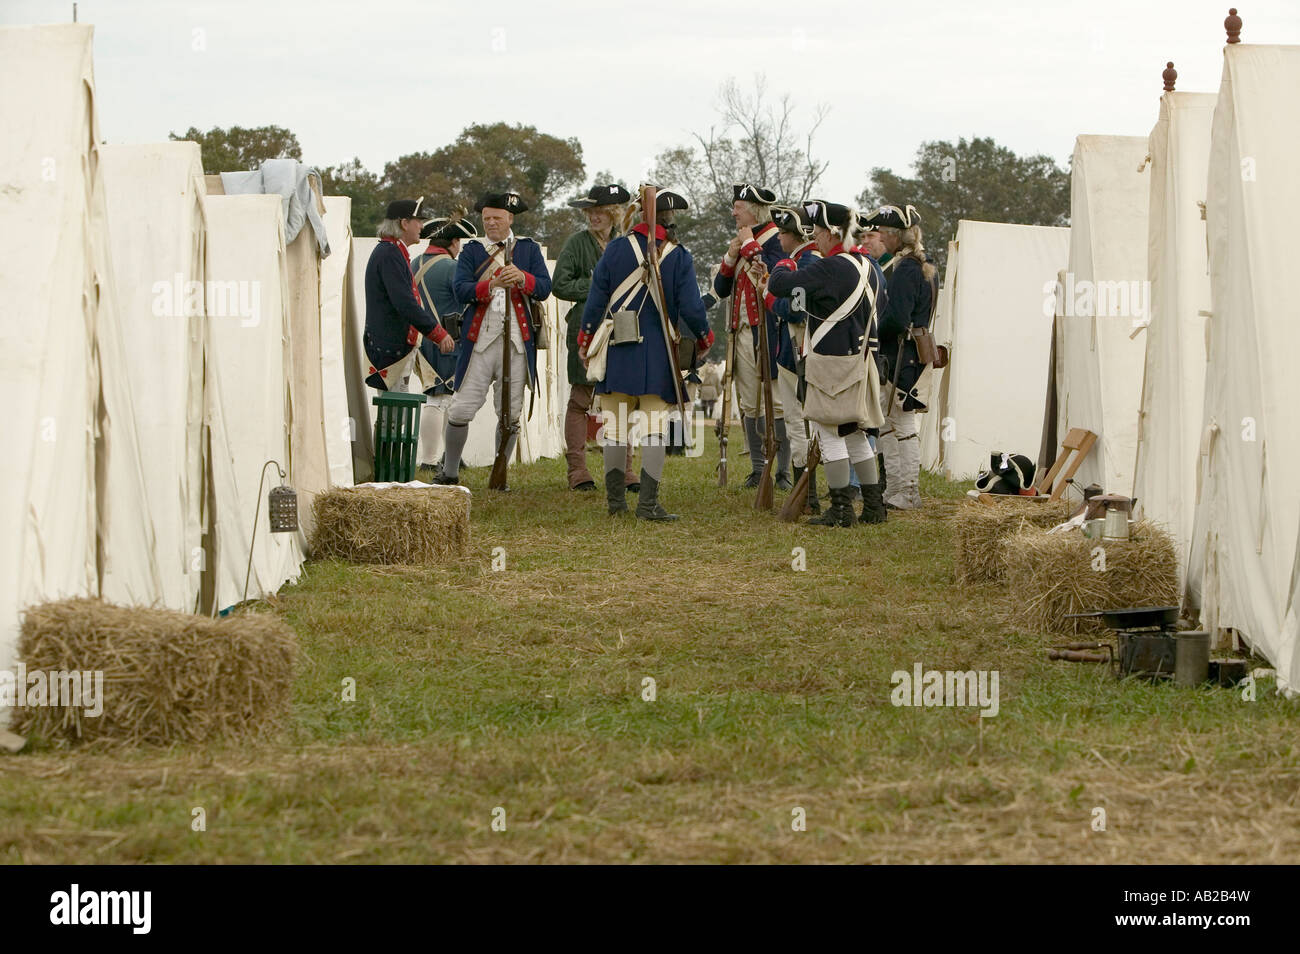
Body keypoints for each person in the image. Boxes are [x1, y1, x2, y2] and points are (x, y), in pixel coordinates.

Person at [577, 188, 713, 520]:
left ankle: (616, 505)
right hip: (658, 353)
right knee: (654, 427)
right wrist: (705, 336)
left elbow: (597, 299)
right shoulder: (679, 256)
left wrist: (586, 336)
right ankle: (648, 505)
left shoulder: (616, 249)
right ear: (670, 220)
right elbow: (692, 308)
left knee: (614, 427)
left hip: (618, 351)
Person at [764, 200, 887, 526]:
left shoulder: (830, 267)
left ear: (833, 232)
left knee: (829, 433)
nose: (814, 236)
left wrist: (785, 266)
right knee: (855, 434)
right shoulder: (867, 266)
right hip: (860, 361)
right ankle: (874, 508)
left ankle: (841, 510)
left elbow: (778, 287)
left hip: (830, 364)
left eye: (818, 230)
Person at [435, 191, 551, 489]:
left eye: (497, 218)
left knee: (510, 414)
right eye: (486, 218)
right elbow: (461, 289)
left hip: (516, 342)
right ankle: (449, 471)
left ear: (510, 219)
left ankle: (500, 475)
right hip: (481, 340)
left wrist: (523, 279)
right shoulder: (474, 251)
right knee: (461, 408)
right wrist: (492, 284)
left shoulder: (527, 249)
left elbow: (545, 287)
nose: (491, 224)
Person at [553, 184, 638, 492]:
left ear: (615, 214)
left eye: (600, 211)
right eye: (590, 211)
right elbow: (560, 284)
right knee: (580, 400)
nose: (593, 217)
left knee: (622, 400)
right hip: (584, 328)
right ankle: (578, 471)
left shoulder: (628, 244)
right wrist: (597, 288)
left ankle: (625, 470)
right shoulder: (577, 244)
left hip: (622, 328)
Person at [712, 184, 793, 490]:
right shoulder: (742, 242)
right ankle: (758, 469)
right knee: (750, 404)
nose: (733, 212)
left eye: (738, 206)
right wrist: (732, 257)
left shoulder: (776, 239)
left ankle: (783, 470)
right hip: (743, 333)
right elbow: (721, 289)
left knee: (778, 402)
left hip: (771, 332)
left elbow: (770, 276)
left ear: (755, 209)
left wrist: (747, 246)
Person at [862, 204, 935, 510]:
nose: (876, 236)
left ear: (893, 235)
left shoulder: (906, 268)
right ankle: (896, 490)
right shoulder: (917, 264)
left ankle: (907, 492)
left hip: (901, 353)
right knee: (891, 424)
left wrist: (870, 328)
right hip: (908, 352)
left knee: (901, 426)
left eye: (880, 231)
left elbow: (896, 318)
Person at [363, 197, 455, 394]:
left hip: (394, 346)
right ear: (404, 223)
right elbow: (404, 303)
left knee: (397, 412)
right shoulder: (389, 254)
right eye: (418, 221)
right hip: (391, 347)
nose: (422, 226)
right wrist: (437, 333)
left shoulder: (392, 252)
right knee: (394, 415)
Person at [410, 213, 478, 478]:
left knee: (442, 396)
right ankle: (429, 459)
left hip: (424, 339)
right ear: (450, 242)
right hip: (448, 341)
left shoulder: (415, 263)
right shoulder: (452, 268)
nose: (459, 246)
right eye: (458, 240)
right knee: (439, 398)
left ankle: (448, 455)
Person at [765, 203, 821, 512]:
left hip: (797, 354)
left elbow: (797, 311)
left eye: (784, 232)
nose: (780, 238)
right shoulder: (811, 261)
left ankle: (806, 496)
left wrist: (770, 297)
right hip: (806, 353)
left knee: (797, 423)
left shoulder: (804, 264)